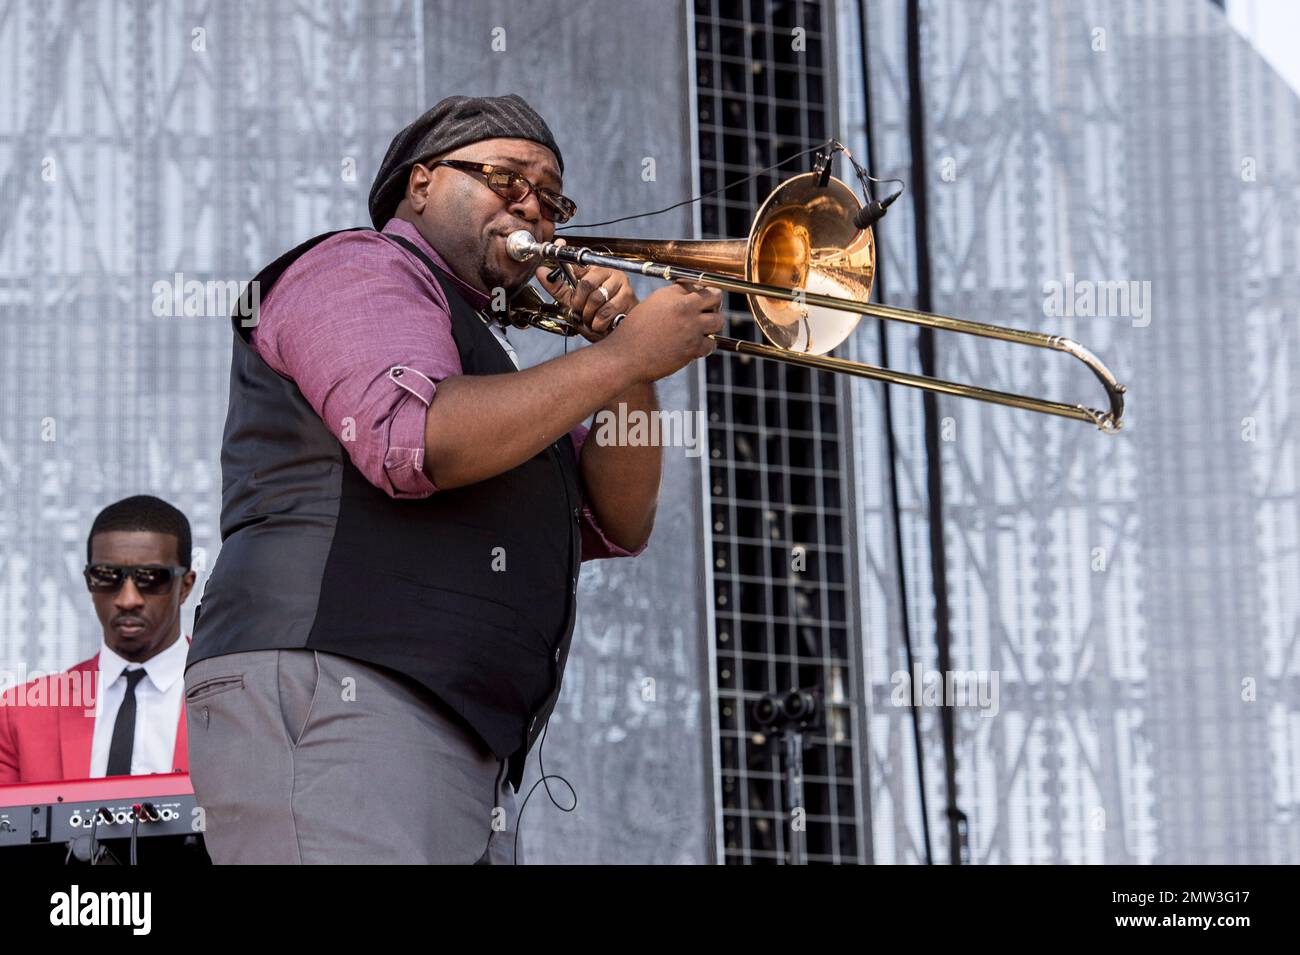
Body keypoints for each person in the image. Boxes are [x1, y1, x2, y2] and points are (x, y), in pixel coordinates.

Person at [184, 93, 723, 863]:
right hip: (340, 692)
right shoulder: (356, 265)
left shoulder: (491, 363)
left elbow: (618, 519)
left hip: (453, 735)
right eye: (508, 180)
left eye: (551, 197)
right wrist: (621, 357)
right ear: (424, 180)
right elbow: (412, 441)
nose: (534, 209)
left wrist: (623, 362)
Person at [0, 495, 195, 784]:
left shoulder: (241, 706)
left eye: (152, 578)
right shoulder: (21, 715)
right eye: (107, 576)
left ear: (185, 586)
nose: (128, 600)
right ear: (89, 582)